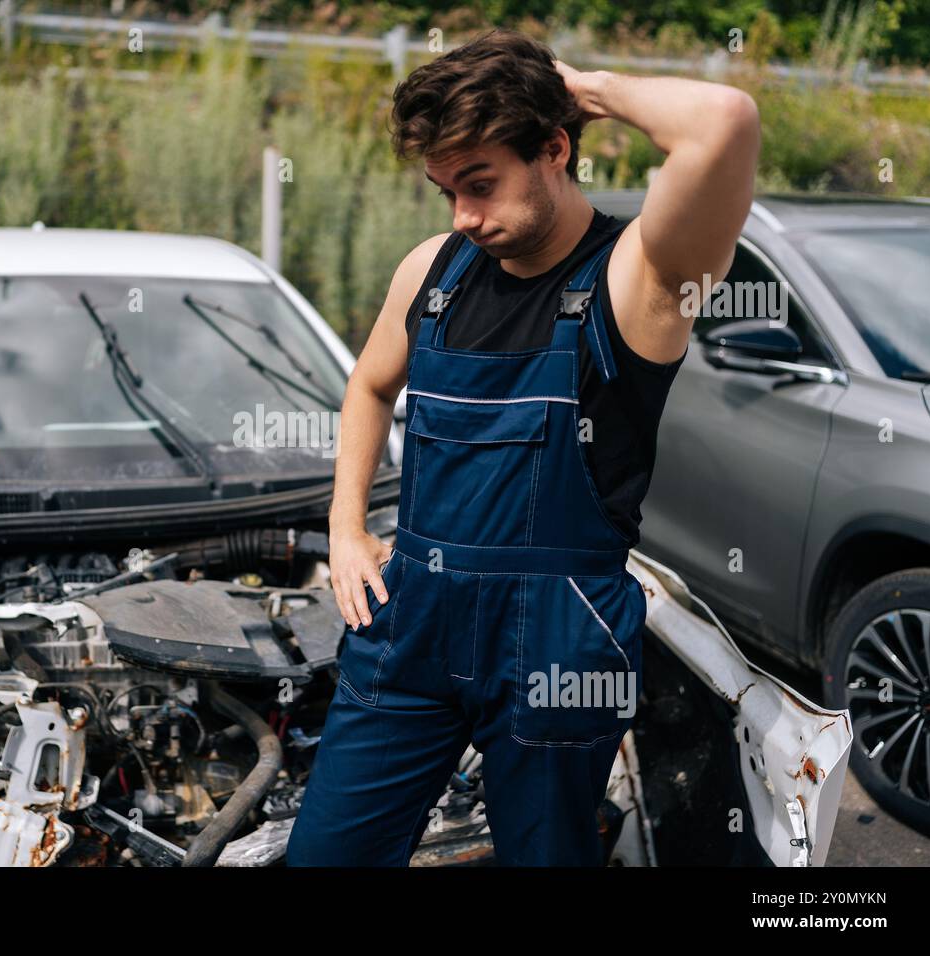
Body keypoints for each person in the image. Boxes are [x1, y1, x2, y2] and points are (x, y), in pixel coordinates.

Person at [285, 28, 759, 866]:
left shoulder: (638, 277)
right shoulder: (436, 271)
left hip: (557, 639)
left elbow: (724, 118)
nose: (465, 216)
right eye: (446, 192)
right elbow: (367, 386)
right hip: (411, 622)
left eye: (480, 184)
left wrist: (587, 83)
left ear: (554, 147)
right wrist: (346, 525)